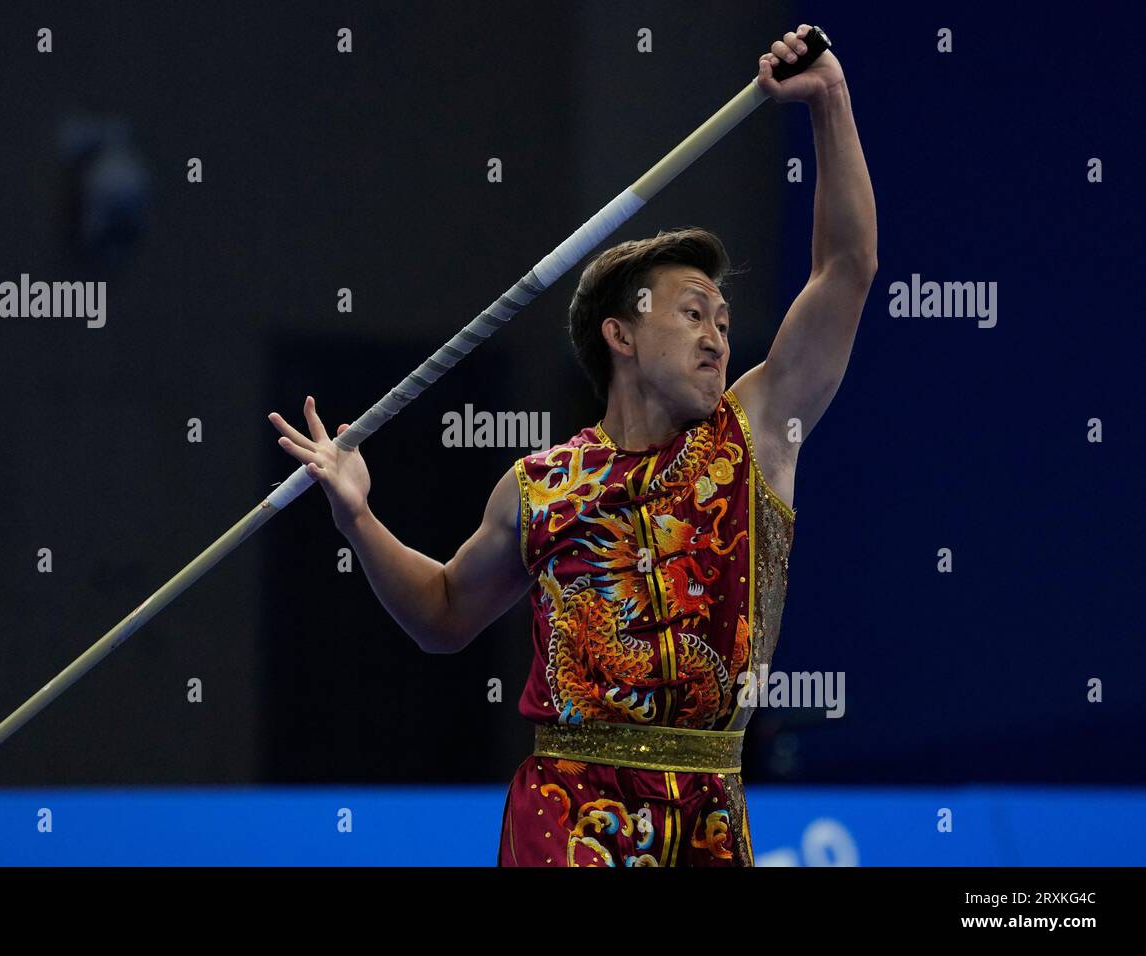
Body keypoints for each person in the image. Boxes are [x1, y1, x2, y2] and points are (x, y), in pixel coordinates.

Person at [267, 23, 875, 866]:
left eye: (725, 323)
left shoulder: (757, 431)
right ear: (621, 334)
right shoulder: (540, 486)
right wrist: (358, 518)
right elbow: (444, 615)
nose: (717, 338)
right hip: (571, 812)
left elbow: (844, 268)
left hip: (708, 815)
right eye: (693, 312)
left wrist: (831, 102)